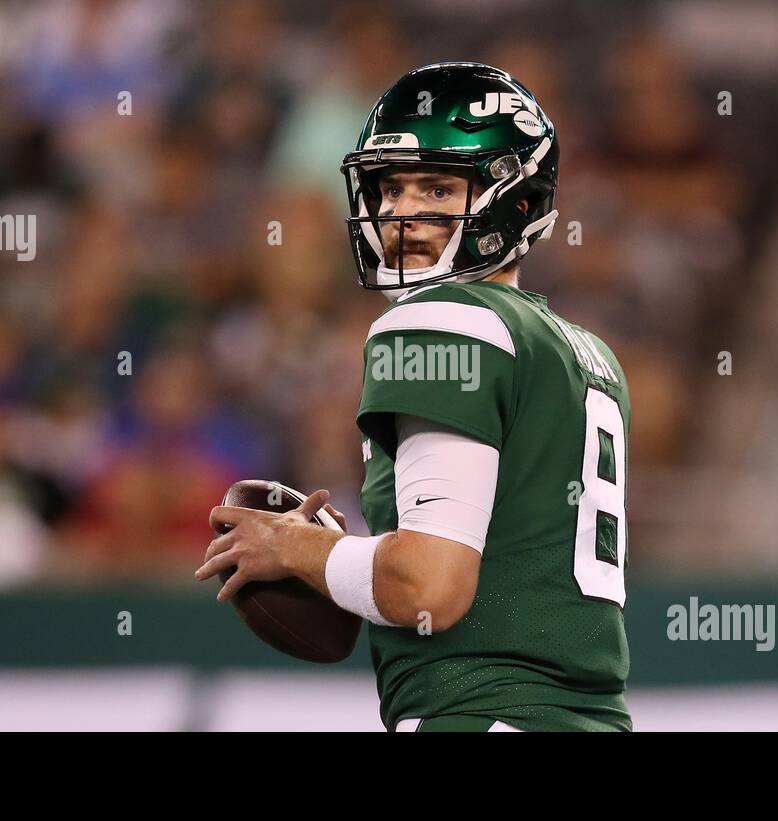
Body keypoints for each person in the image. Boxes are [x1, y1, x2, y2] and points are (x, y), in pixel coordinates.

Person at [197, 63, 631, 731]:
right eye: (391, 188)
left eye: (436, 186)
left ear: (512, 195)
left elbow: (430, 584)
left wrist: (291, 548)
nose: (402, 212)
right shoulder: (587, 353)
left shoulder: (440, 319)